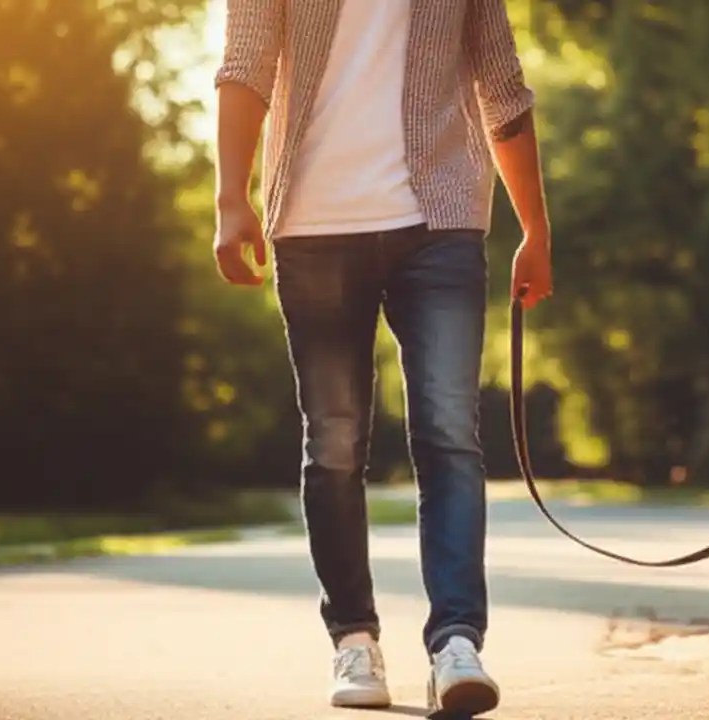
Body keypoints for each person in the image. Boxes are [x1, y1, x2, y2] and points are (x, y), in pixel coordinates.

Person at [212, 0, 552, 715]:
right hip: (314, 221)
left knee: (450, 432)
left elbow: (503, 82)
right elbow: (245, 66)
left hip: (442, 217)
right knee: (334, 441)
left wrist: (536, 228)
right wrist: (230, 198)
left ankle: (458, 640)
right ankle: (354, 640)